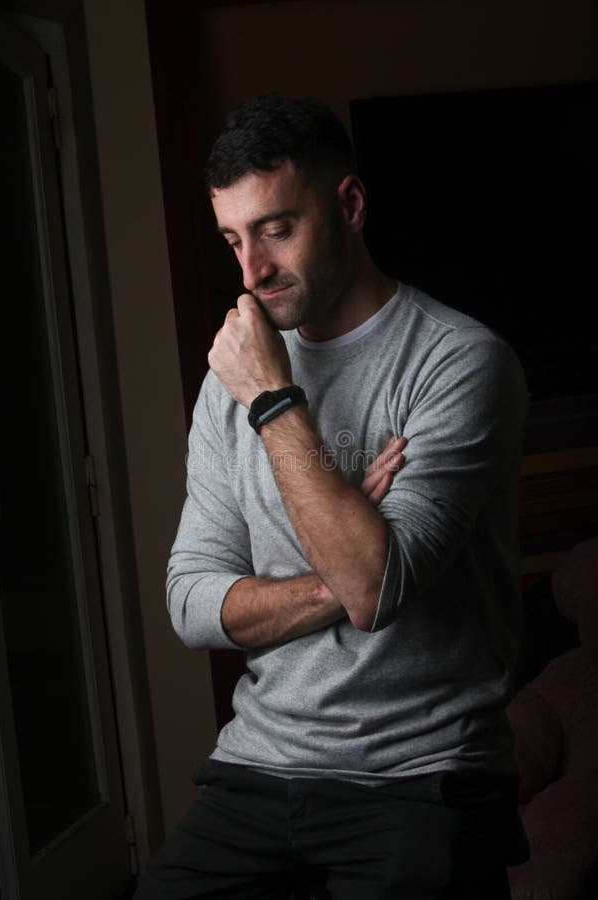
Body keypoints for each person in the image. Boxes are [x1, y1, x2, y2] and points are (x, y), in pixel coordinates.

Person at [135, 94, 529, 899]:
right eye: (233, 240)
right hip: (259, 764)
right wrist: (342, 570)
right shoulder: (228, 381)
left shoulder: (458, 363)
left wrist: (276, 402)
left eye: (277, 229)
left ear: (348, 206)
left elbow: (374, 593)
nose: (251, 274)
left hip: (420, 775)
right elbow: (190, 602)